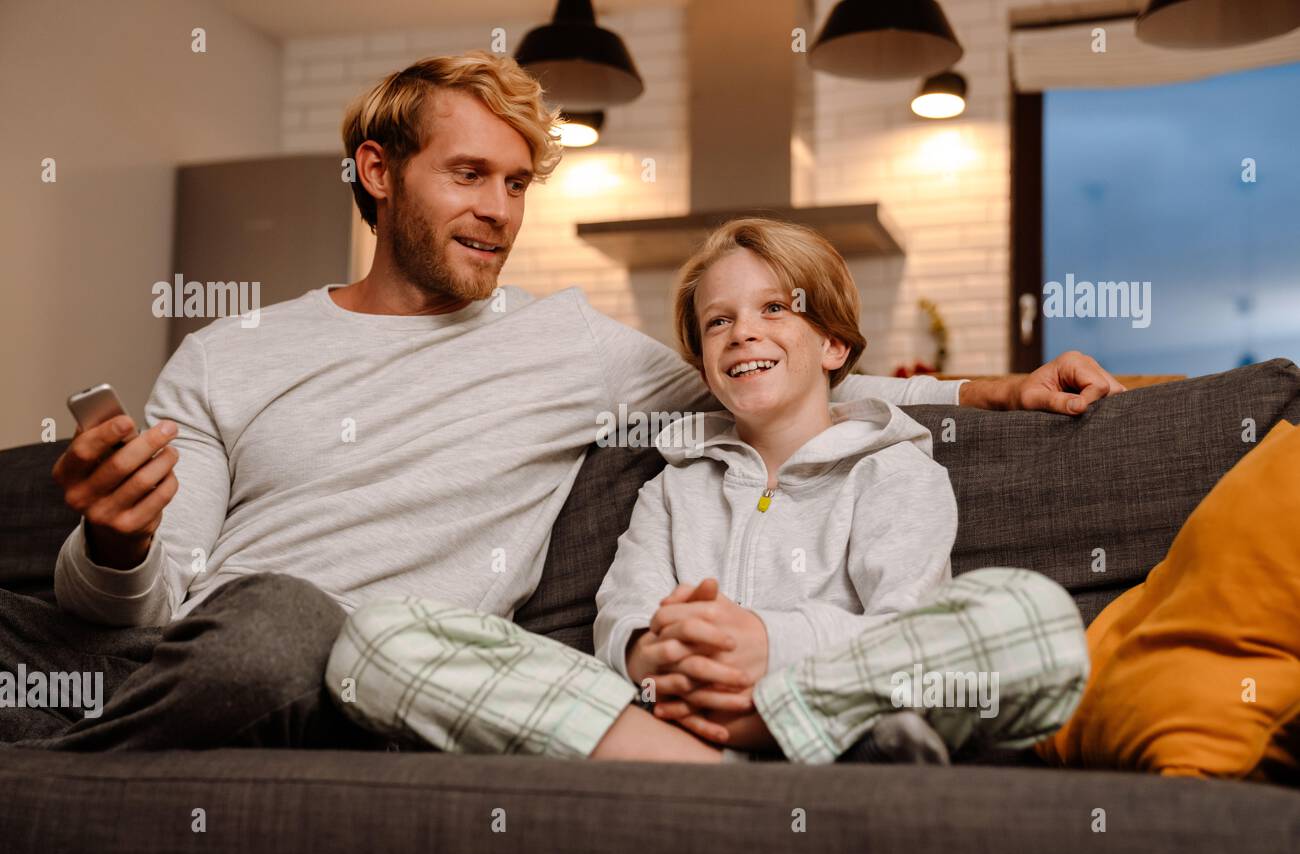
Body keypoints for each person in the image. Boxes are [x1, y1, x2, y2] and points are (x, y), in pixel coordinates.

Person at [3, 51, 1121, 752]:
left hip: (351, 658)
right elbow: (143, 616)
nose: (500, 210)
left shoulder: (567, 344)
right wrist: (110, 542)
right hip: (192, 656)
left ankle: (56, 741)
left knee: (297, 624)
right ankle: (68, 724)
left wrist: (995, 387)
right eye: (469, 175)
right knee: (195, 624)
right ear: (379, 173)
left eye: (517, 184)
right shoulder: (227, 353)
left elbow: (771, 385)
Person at [325, 217, 1091, 765]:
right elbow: (620, 617)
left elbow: (907, 627)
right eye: (717, 321)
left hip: (837, 688)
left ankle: (772, 724)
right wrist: (656, 652)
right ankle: (708, 760)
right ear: (701, 365)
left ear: (832, 344)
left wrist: (767, 643)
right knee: (379, 639)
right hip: (667, 716)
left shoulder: (894, 470)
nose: (742, 332)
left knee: (1036, 623)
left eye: (773, 309)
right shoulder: (672, 485)